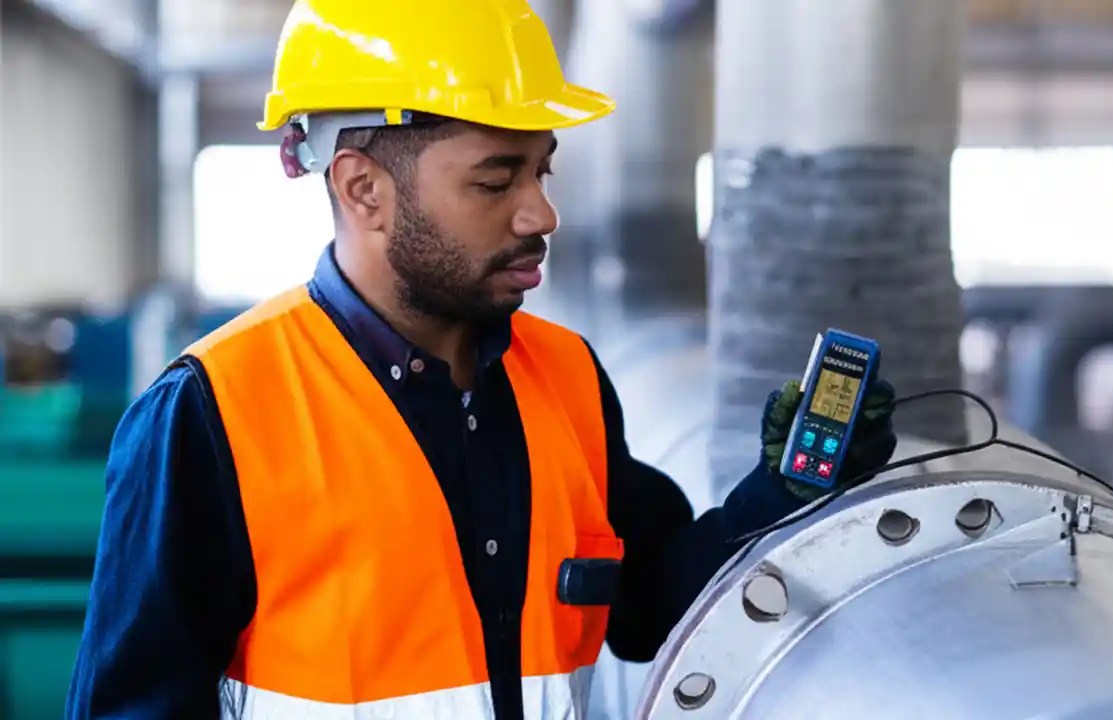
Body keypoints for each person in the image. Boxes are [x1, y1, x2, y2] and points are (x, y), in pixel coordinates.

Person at [65, 1, 898, 718]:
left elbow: (645, 610)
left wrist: (778, 492)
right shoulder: (214, 413)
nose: (541, 213)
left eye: (541, 170)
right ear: (363, 190)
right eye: (496, 182)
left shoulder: (565, 378)